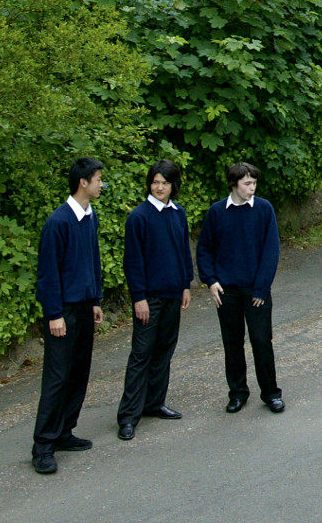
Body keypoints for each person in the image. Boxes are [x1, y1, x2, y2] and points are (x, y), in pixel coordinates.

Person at [31, 157, 106, 475]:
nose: (102, 184)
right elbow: (47, 274)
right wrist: (54, 314)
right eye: (98, 179)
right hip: (63, 312)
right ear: (83, 183)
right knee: (57, 377)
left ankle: (64, 432)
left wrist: (95, 299)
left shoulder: (90, 216)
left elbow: (92, 260)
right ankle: (43, 446)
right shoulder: (58, 222)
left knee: (78, 371)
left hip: (84, 306)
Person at [195, 162, 284, 414]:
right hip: (227, 290)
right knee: (232, 343)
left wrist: (261, 288)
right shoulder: (217, 212)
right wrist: (210, 281)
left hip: (256, 289)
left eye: (254, 183)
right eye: (247, 183)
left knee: (261, 340)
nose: (252, 188)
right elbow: (205, 249)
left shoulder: (264, 209)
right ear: (234, 185)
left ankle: (271, 393)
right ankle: (237, 393)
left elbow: (271, 251)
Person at [117, 159, 193, 441]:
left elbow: (184, 250)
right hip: (149, 298)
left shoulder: (178, 213)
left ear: (174, 186)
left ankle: (154, 402)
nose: (159, 187)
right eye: (155, 182)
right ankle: (128, 416)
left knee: (164, 351)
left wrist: (186, 284)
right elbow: (132, 261)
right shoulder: (139, 216)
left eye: (165, 183)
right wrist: (139, 297)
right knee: (141, 355)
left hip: (174, 293)